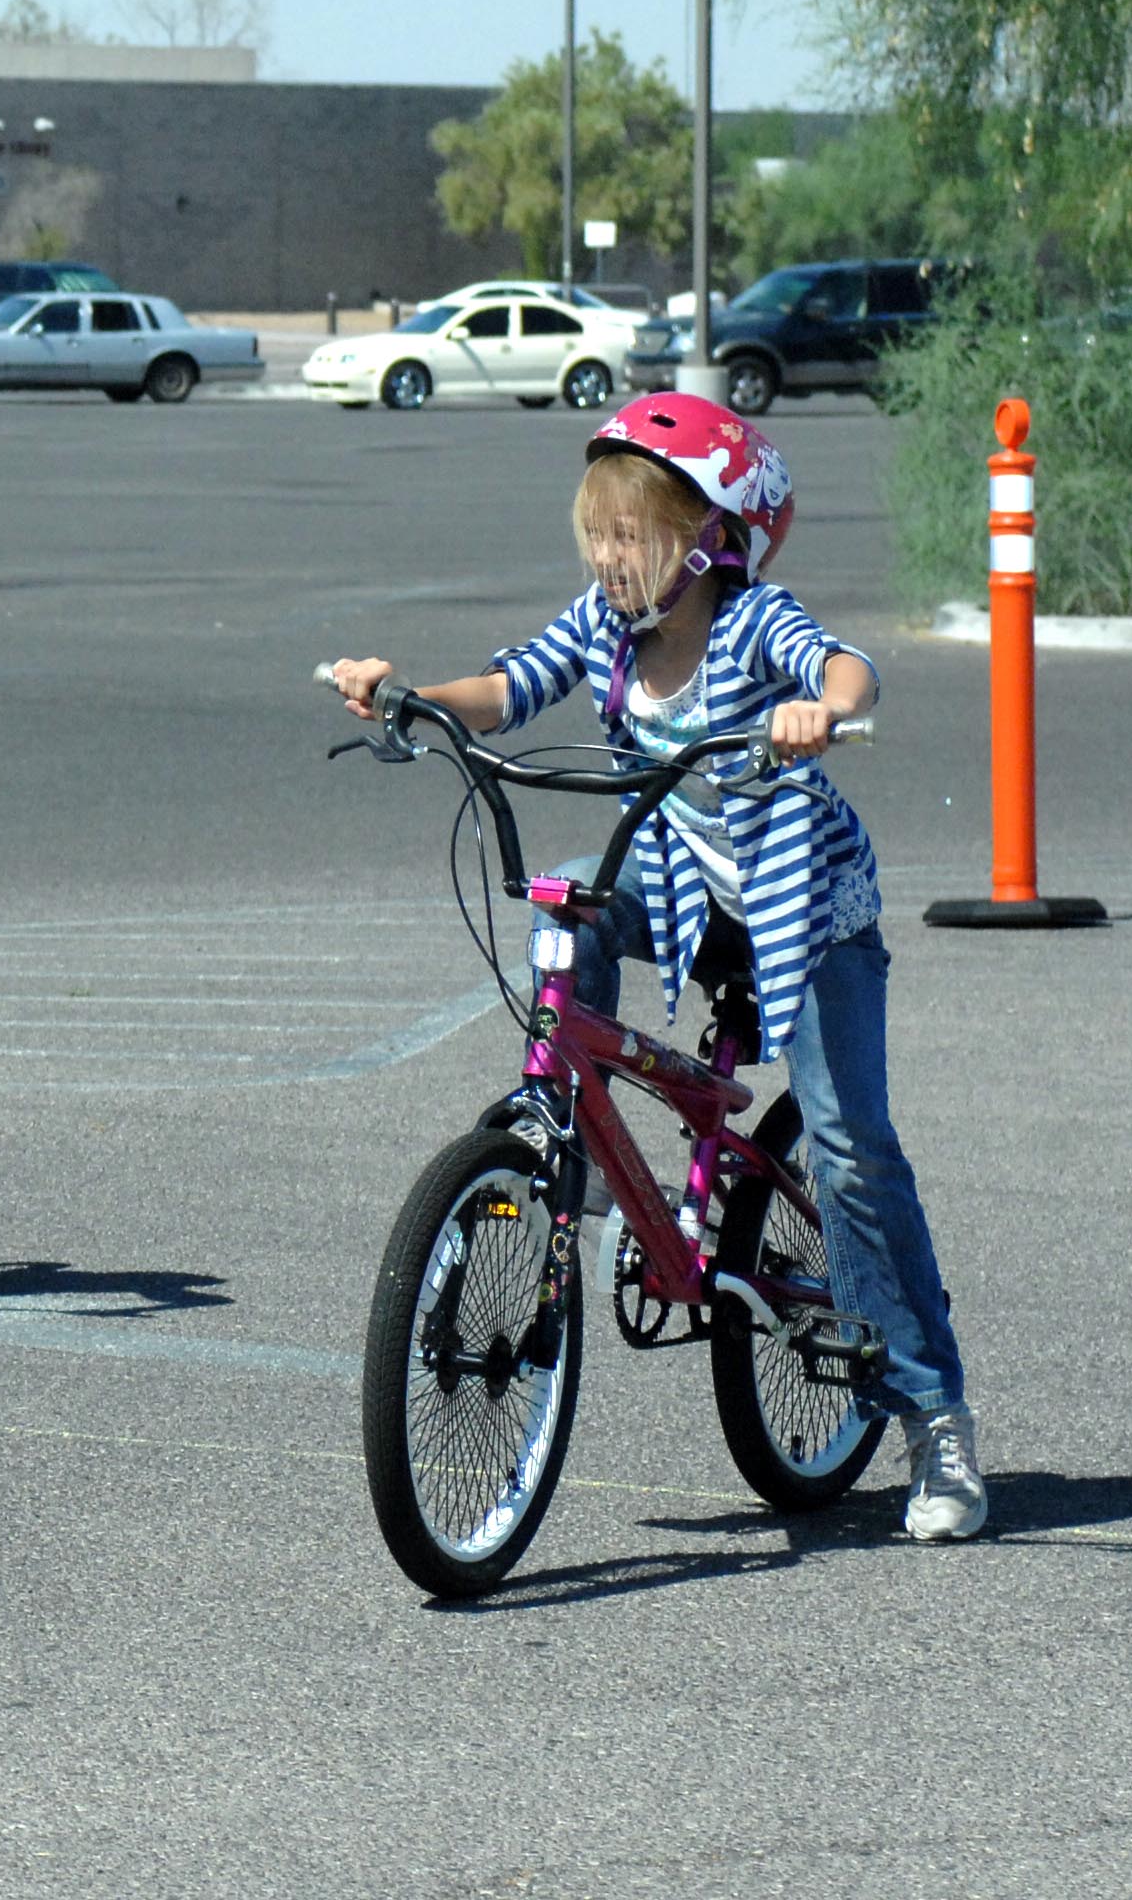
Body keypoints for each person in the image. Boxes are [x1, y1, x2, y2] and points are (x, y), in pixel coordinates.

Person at [324, 392, 981, 1543]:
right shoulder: (603, 625)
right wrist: (413, 696)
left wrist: (819, 712)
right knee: (567, 904)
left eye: (633, 534)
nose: (610, 557)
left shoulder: (752, 623)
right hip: (678, 890)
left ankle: (934, 1417)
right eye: (600, 533)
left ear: (709, 539)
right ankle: (561, 1139)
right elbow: (511, 684)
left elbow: (844, 666)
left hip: (804, 909)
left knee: (845, 1144)